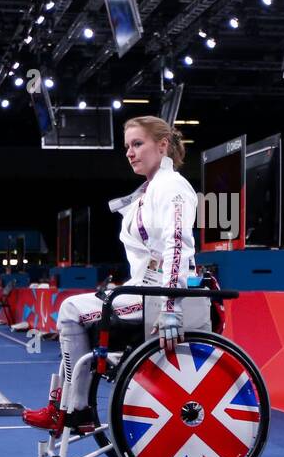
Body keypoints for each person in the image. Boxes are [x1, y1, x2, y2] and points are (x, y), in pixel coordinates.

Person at [23, 116, 197, 430]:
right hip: (143, 289)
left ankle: (75, 409)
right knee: (75, 308)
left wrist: (171, 306)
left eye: (137, 144)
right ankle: (69, 401)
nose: (130, 152)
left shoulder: (172, 187)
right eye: (127, 146)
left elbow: (176, 245)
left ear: (162, 145)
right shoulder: (151, 188)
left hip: (155, 297)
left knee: (70, 309)